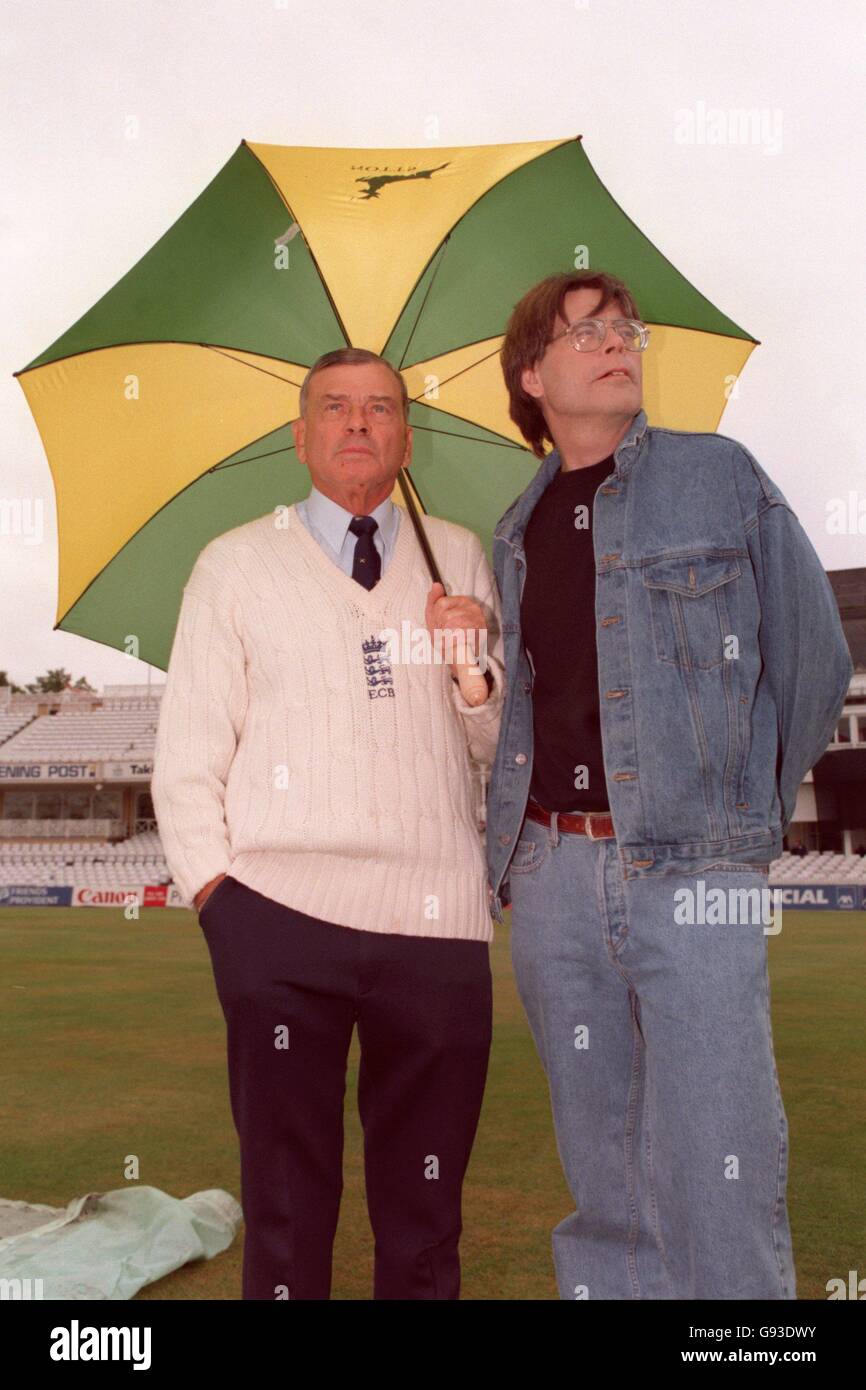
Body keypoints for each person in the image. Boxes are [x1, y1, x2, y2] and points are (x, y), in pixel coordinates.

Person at [485, 269, 853, 1300]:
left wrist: (739, 824)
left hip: (694, 865)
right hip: (552, 877)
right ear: (532, 374)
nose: (617, 342)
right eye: (585, 330)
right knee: (602, 1171)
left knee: (717, 1152)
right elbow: (521, 714)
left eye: (623, 327)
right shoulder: (510, 532)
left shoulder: (717, 475)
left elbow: (812, 657)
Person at [152, 347, 504, 1300]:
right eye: (336, 408)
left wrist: (472, 666)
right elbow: (187, 759)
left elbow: (496, 753)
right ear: (300, 435)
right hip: (278, 919)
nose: (358, 423)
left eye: (381, 408)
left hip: (435, 926)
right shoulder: (233, 564)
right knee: (286, 1206)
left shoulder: (460, 556)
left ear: (405, 435)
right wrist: (223, 902)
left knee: (425, 1213)